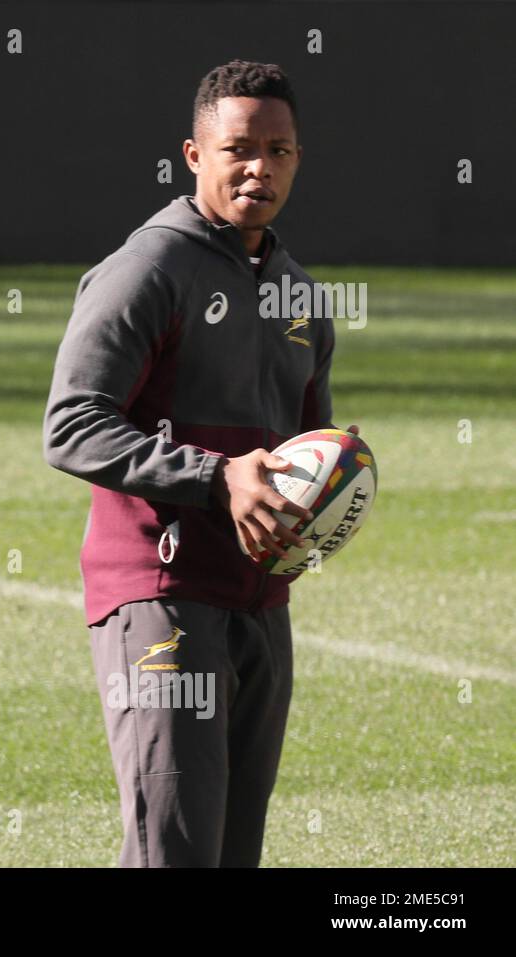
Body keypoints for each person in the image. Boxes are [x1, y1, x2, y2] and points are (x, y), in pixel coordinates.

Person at [44, 60, 358, 866]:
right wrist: (217, 477)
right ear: (193, 155)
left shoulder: (302, 296)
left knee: (230, 852)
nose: (260, 169)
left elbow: (301, 450)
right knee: (174, 850)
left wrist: (331, 479)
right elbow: (71, 424)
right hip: (161, 593)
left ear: (299, 158)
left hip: (262, 600)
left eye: (278, 151)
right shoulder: (146, 270)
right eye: (238, 149)